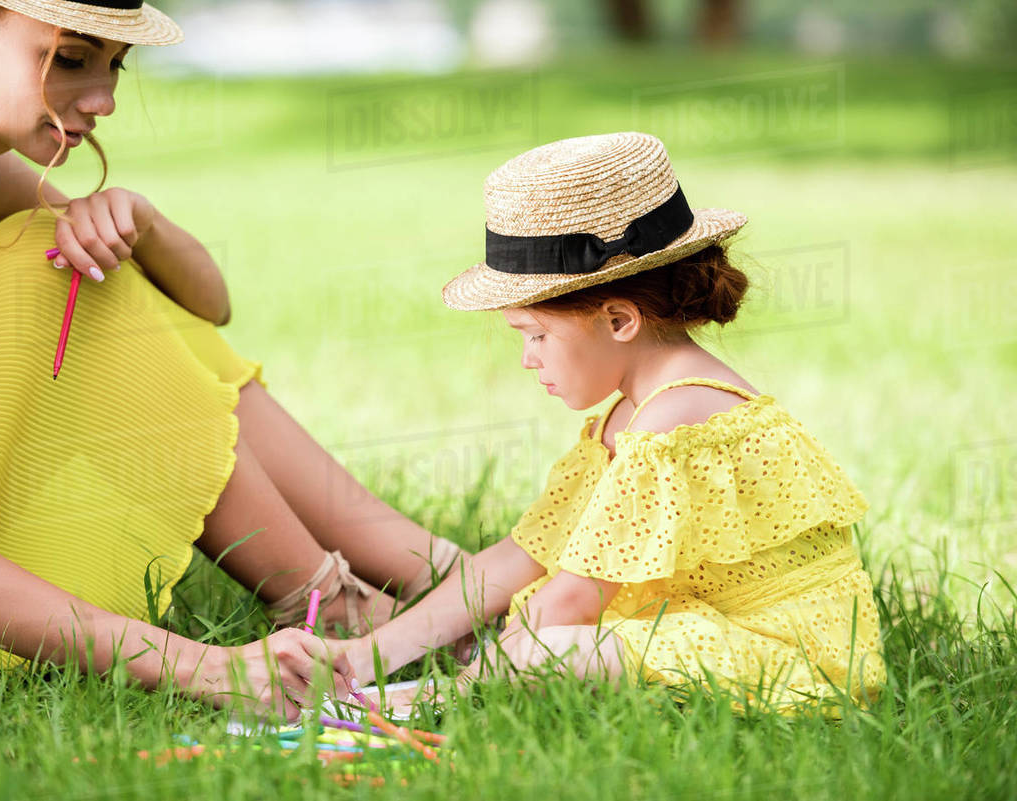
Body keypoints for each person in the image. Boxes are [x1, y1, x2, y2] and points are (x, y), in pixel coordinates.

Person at [0, 0, 462, 721]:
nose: (104, 100)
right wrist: (211, 668)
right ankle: (352, 599)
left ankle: (425, 573)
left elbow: (207, 307)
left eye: (114, 65)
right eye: (68, 59)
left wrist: (140, 224)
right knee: (63, 264)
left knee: (79, 247)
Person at [340, 132, 888, 717]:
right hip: (703, 627)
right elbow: (523, 554)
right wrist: (362, 658)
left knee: (540, 649)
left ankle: (448, 691)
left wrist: (435, 694)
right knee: (530, 630)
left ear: (620, 319)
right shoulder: (632, 411)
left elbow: (574, 598)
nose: (529, 360)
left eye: (537, 335)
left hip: (783, 654)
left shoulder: (679, 417)